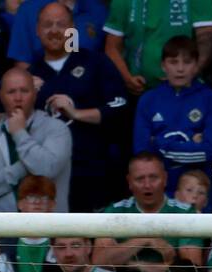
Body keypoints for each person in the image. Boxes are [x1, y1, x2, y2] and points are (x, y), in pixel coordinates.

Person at [27, 2, 128, 213]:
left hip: (94, 172)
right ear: (37, 30)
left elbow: (119, 106)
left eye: (61, 24)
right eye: (47, 25)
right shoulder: (30, 74)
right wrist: (26, 95)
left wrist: (76, 114)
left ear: (73, 29)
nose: (54, 30)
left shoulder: (95, 62)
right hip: (46, 178)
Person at [0, 66, 71, 213]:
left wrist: (19, 133)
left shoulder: (57, 129)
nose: (18, 98)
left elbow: (47, 170)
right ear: (1, 96)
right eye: (11, 92)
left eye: (24, 91)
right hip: (0, 232)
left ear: (34, 94)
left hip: (50, 231)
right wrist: (21, 168)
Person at [131, 35, 212, 188]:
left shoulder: (211, 99)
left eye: (187, 62)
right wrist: (192, 143)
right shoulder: (148, 100)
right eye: (173, 62)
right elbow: (142, 152)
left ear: (195, 66)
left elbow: (211, 151)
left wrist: (160, 144)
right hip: (158, 187)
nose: (180, 69)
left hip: (197, 189)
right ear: (163, 65)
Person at [104, 0, 212, 96]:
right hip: (139, 89)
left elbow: (206, 36)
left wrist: (190, 73)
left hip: (186, 90)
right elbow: (112, 47)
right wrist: (127, 78)